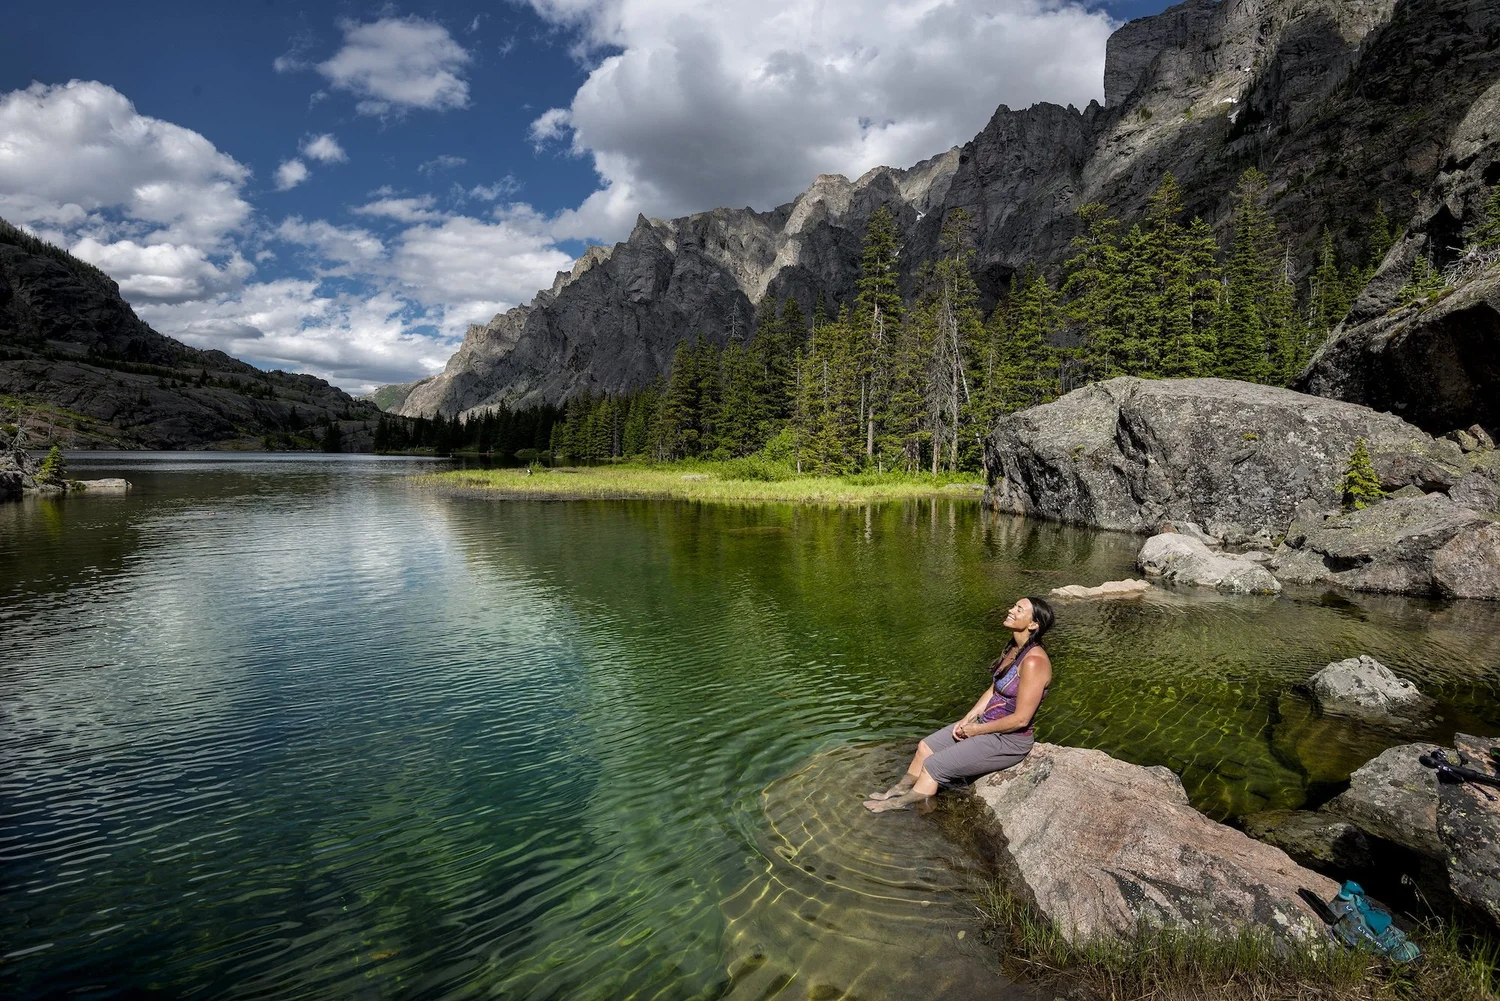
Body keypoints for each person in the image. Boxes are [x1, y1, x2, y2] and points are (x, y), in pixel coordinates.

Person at [863, 596, 1054, 813]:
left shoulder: (1034, 662)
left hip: (1008, 740)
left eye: (1019, 609)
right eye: (1014, 606)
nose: (1011, 610)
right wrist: (968, 718)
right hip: (986, 725)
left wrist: (977, 730)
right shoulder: (1014, 648)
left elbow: (1021, 719)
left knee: (934, 766)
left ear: (1033, 624)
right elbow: (994, 689)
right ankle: (898, 789)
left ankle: (899, 804)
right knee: (925, 748)